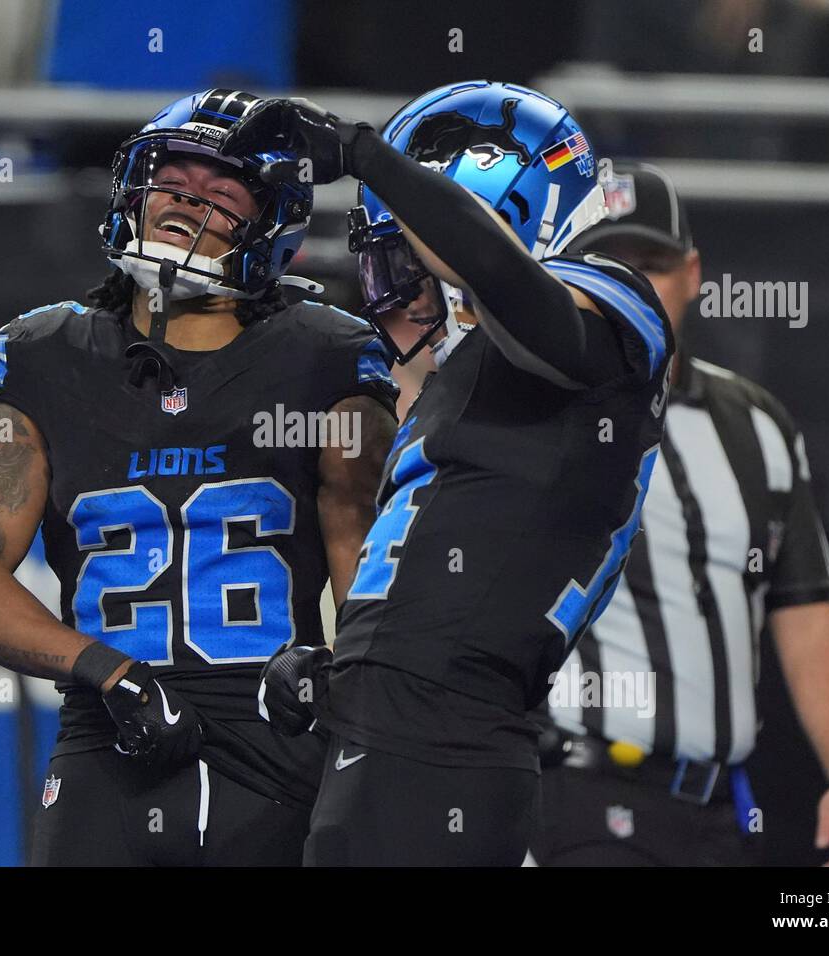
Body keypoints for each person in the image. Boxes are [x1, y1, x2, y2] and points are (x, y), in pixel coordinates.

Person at [0, 89, 398, 866]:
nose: (189, 201)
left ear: (272, 225)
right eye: (175, 179)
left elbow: (369, 557)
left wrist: (353, 684)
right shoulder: (47, 354)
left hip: (277, 734)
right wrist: (106, 671)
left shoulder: (324, 353)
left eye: (222, 190)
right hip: (106, 739)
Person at [239, 80, 674, 866]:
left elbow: (514, 288)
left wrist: (367, 157)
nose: (395, 283)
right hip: (403, 735)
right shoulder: (470, 381)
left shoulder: (612, 308)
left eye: (405, 249)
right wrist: (348, 666)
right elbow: (465, 557)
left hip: (440, 744)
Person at [532, 163, 829, 867]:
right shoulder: (531, 407)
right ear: (563, 276)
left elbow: (809, 611)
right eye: (606, 265)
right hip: (576, 791)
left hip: (718, 812)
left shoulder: (755, 421)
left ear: (694, 274)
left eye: (652, 265)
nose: (632, 284)